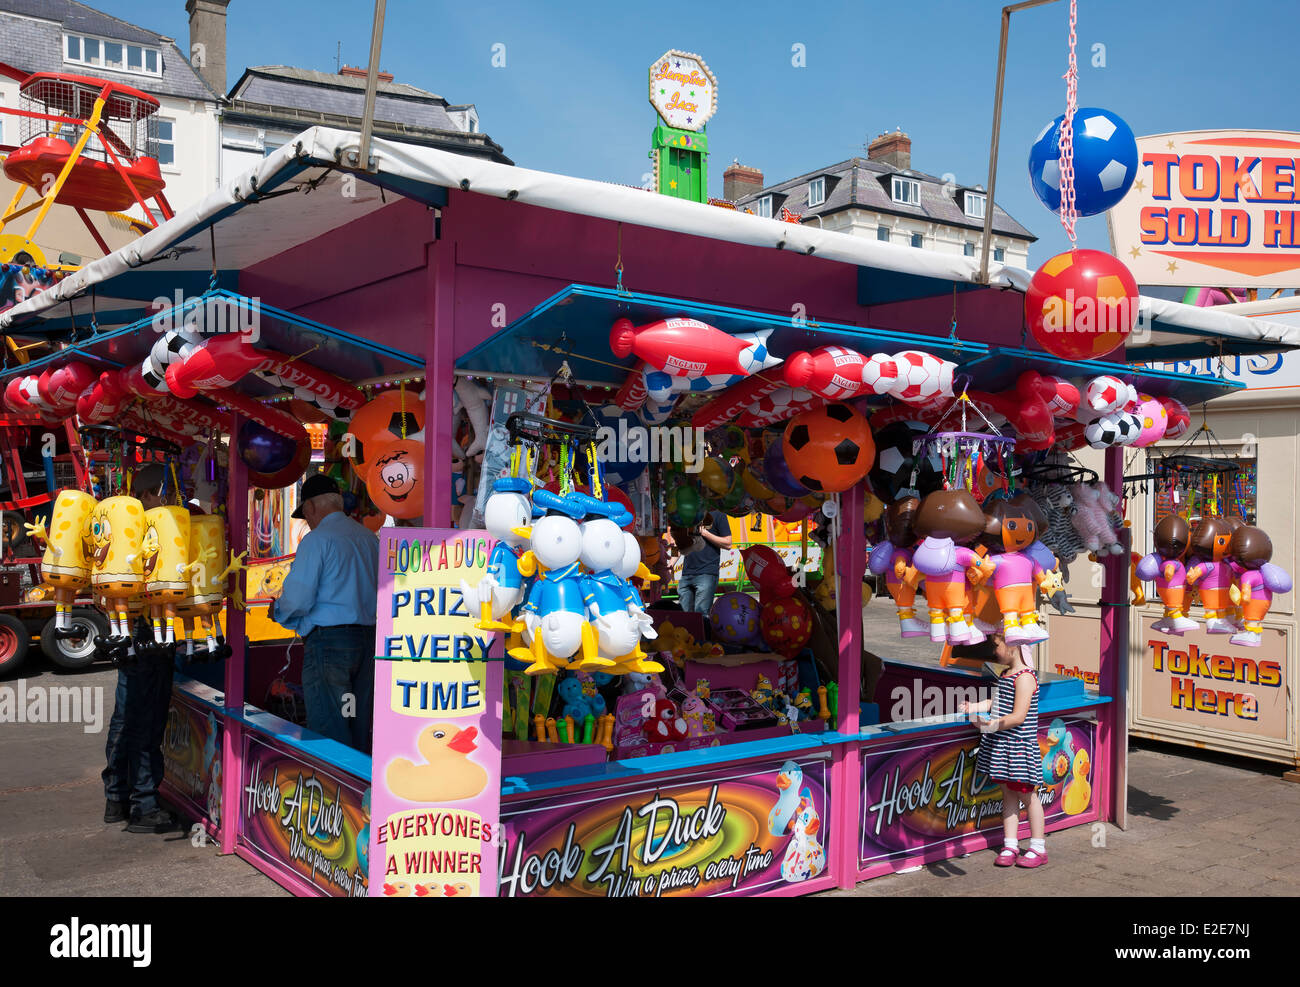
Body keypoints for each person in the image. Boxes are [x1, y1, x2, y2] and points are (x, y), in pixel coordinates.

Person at [272, 473, 379, 753]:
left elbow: (298, 598)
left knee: (331, 726)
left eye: (305, 515)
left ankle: (340, 792)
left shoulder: (317, 540)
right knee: (354, 718)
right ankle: (359, 788)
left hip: (330, 647)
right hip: (367, 643)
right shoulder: (369, 539)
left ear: (309, 508)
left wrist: (279, 611)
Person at [102, 462, 178, 833]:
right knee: (144, 717)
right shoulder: (149, 531)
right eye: (166, 492)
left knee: (126, 715)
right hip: (146, 632)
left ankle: (117, 796)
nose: (171, 499)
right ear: (148, 494)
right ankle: (144, 805)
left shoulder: (122, 528)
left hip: (131, 631)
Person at [959, 632, 1046, 868]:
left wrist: (991, 725)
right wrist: (973, 706)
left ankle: (1038, 847)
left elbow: (1018, 716)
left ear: (1013, 646)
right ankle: (1010, 844)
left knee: (1028, 797)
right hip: (1003, 746)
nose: (993, 651)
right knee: (1008, 793)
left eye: (996, 645)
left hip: (1017, 748)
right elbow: (995, 702)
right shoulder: (1006, 674)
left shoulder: (1025, 678)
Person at [674, 509, 732, 614]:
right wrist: (670, 564)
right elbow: (678, 543)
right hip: (686, 574)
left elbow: (728, 543)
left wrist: (705, 533)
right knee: (683, 615)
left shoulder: (718, 514)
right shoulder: (688, 514)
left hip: (707, 573)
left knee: (701, 615)